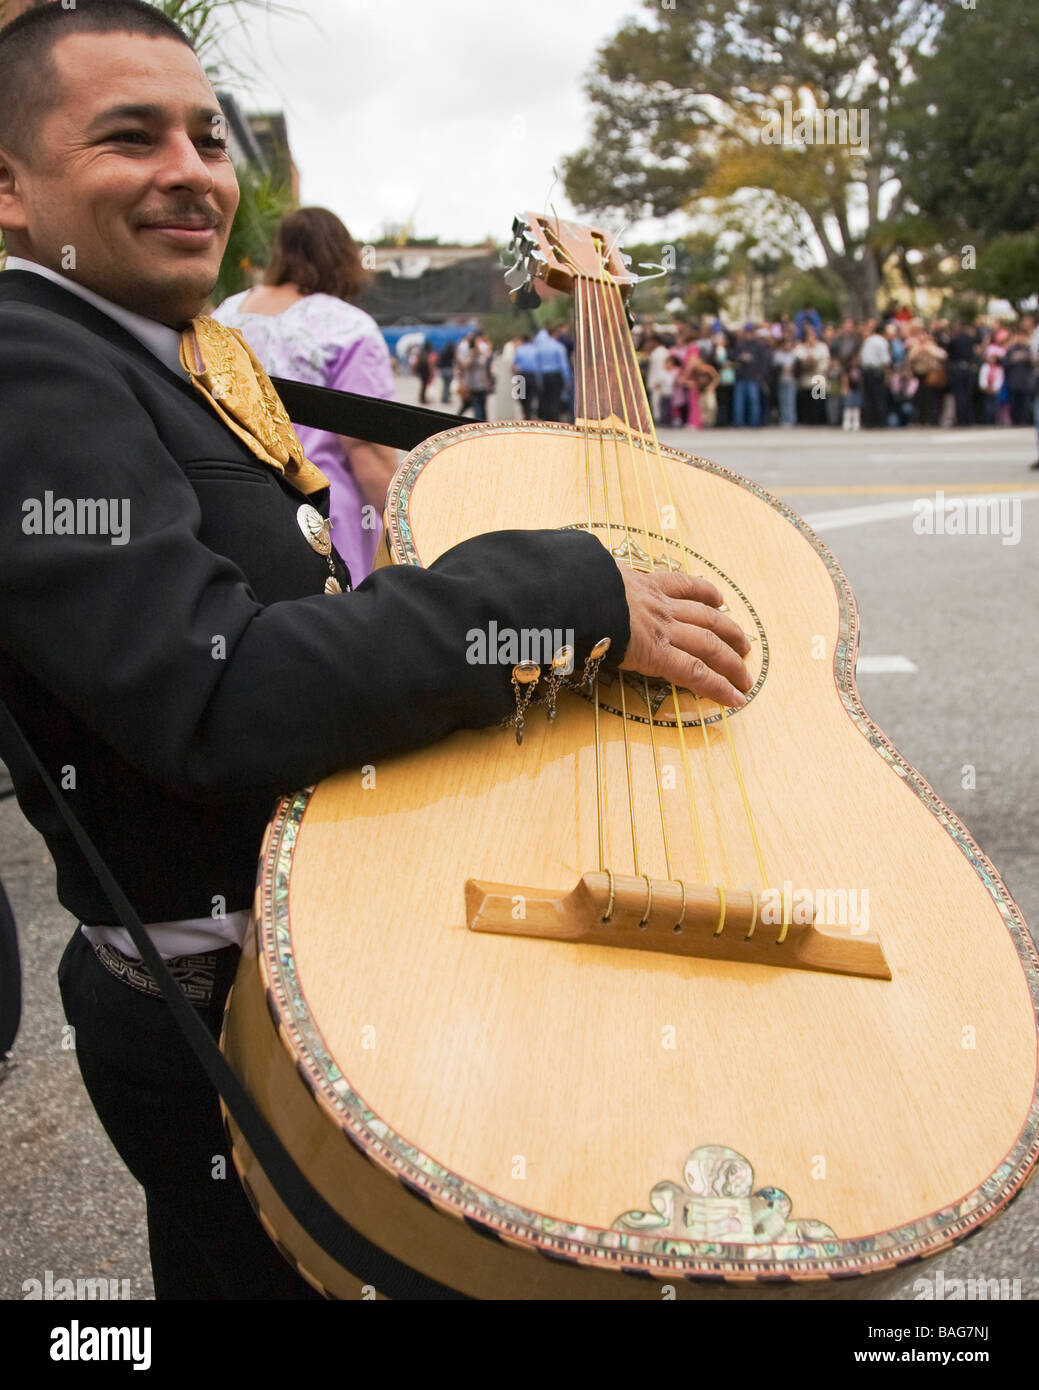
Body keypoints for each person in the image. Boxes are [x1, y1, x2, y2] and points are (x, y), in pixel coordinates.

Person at [0, 3, 756, 1300]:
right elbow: (219, 687)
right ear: (10, 189)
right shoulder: (29, 357)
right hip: (234, 1005)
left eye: (204, 134)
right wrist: (567, 585)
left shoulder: (141, 348)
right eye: (129, 136)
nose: (190, 167)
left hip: (302, 955)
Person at [212, 206, 398, 584]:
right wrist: (412, 536)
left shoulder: (226, 313)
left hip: (230, 511)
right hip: (324, 522)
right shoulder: (347, 328)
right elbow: (368, 452)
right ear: (342, 258)